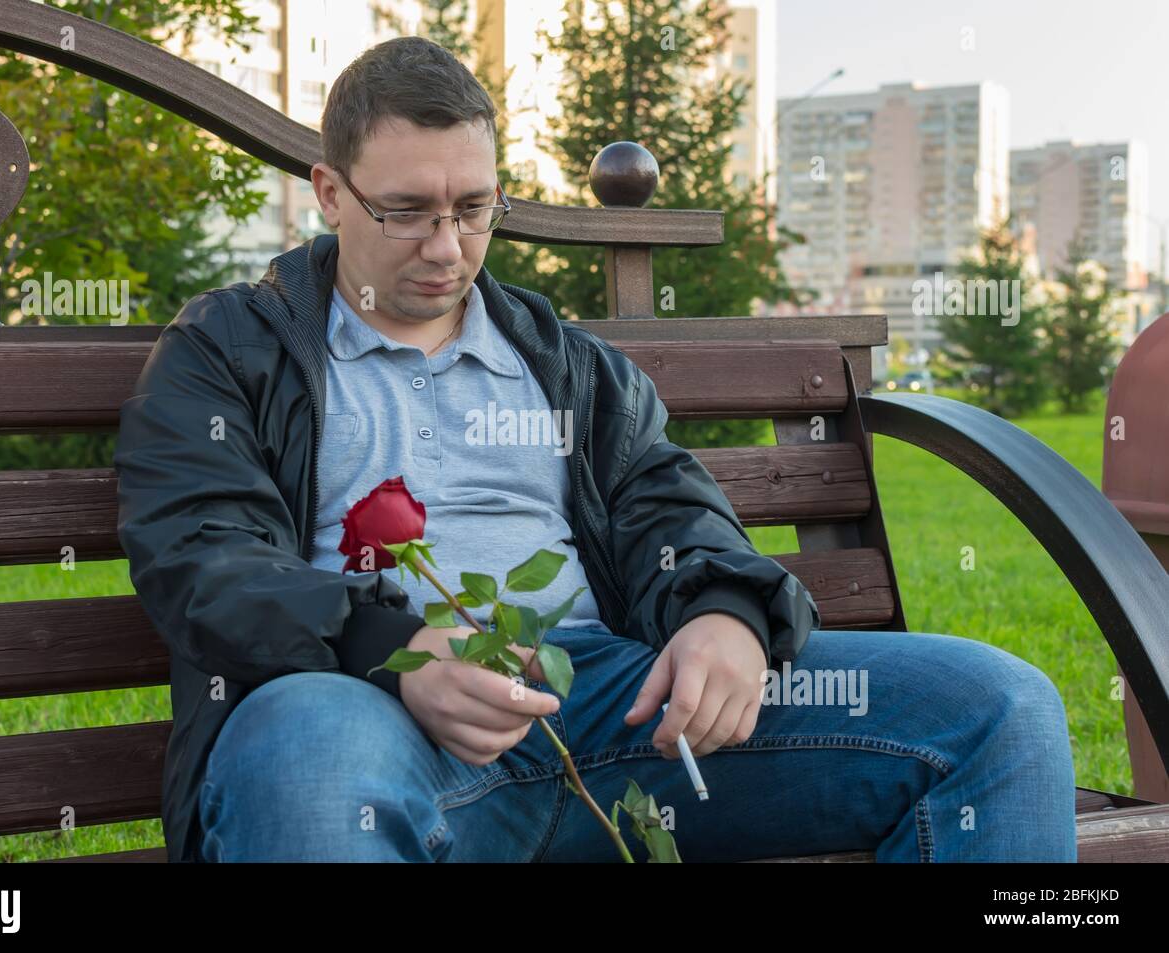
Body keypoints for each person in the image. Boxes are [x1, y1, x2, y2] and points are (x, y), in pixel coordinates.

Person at [113, 36, 1077, 862]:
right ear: (330, 191)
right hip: (370, 719)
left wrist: (725, 612)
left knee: (999, 708)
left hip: (613, 711)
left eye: (474, 208)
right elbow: (205, 559)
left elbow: (670, 506)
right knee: (307, 751)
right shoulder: (229, 352)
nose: (446, 246)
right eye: (405, 211)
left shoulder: (569, 368)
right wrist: (394, 648)